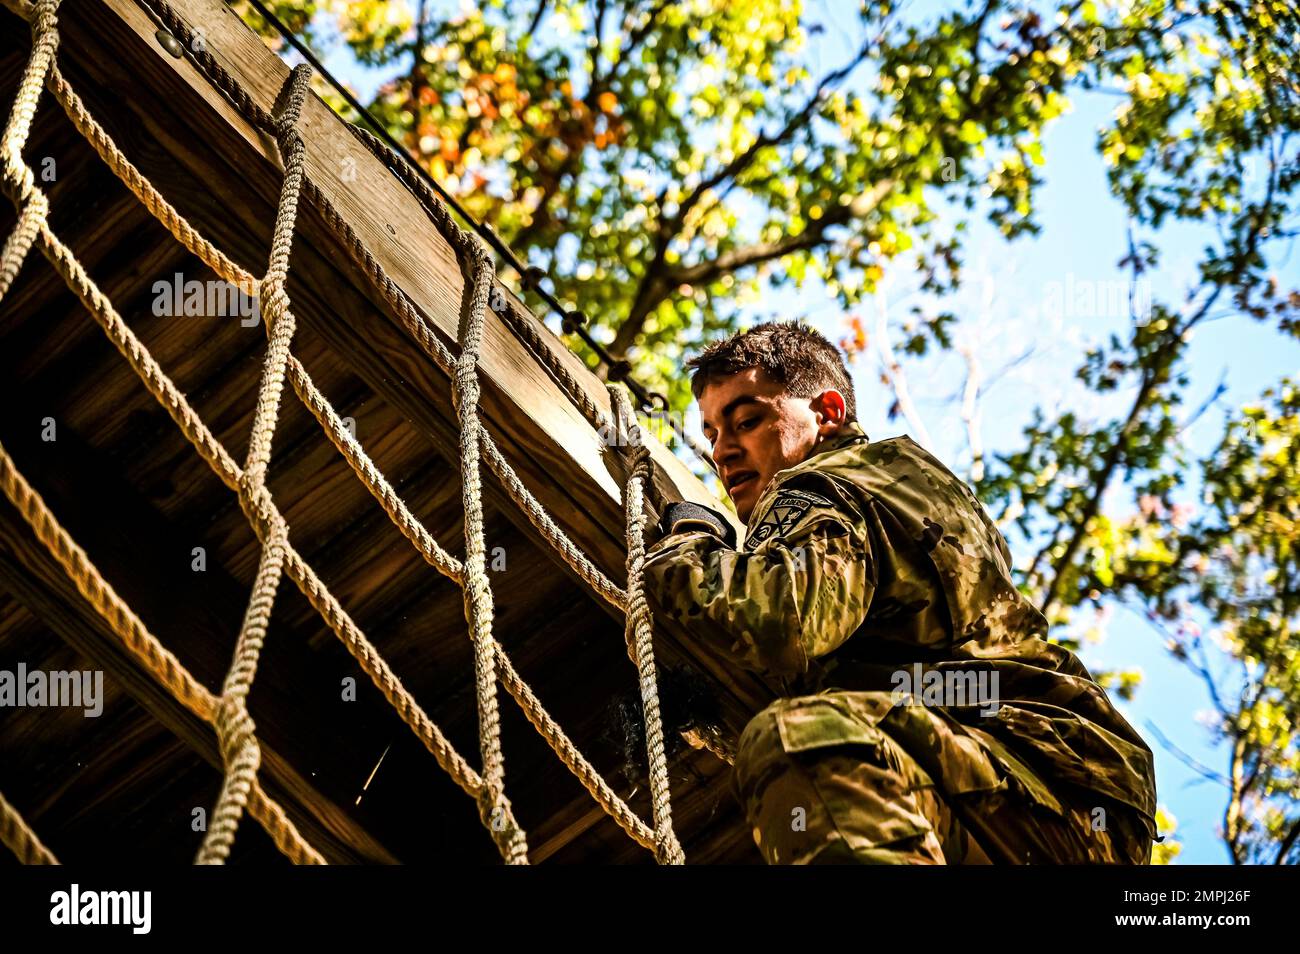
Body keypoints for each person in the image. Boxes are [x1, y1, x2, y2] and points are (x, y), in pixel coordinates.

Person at [641, 321, 1159, 864]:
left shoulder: (826, 483)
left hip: (1030, 771)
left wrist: (689, 542)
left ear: (828, 412)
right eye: (711, 437)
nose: (723, 451)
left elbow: (780, 616)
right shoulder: (908, 481)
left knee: (798, 741)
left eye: (746, 421)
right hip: (1066, 798)